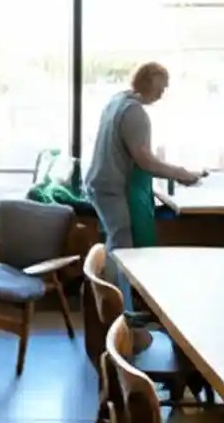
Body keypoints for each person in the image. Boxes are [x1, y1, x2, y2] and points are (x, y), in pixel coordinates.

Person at [84, 62, 205, 312]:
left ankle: (117, 308)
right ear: (149, 81)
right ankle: (120, 313)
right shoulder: (134, 112)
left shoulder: (118, 101)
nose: (164, 91)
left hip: (100, 182)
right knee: (122, 247)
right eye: (162, 84)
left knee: (118, 241)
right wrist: (182, 174)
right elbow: (145, 159)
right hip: (110, 186)